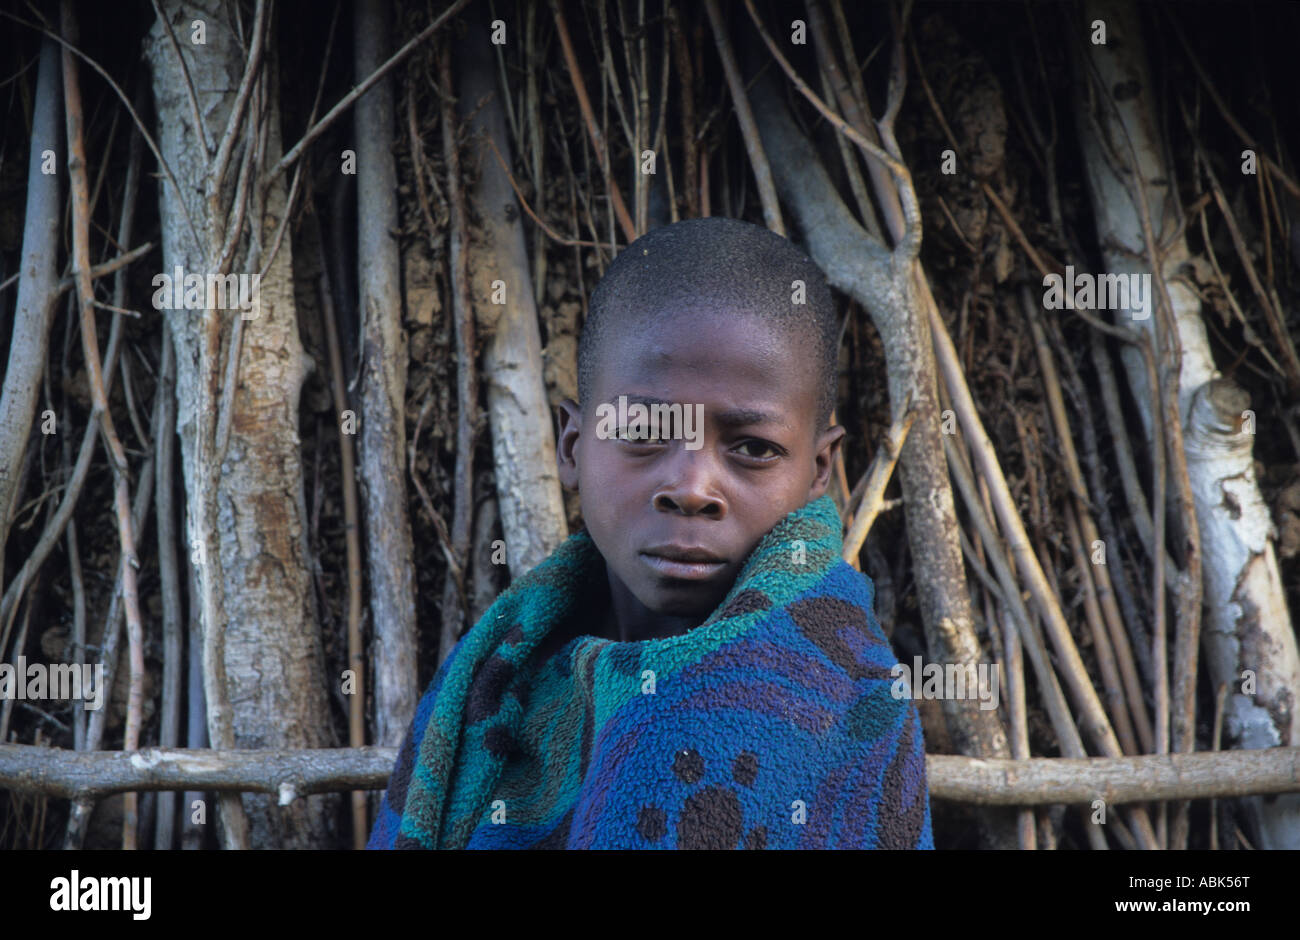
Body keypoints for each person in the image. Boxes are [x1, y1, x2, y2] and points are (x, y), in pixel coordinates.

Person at [367, 216, 933, 849]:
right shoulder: (503, 679)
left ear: (818, 468)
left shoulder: (843, 699)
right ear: (573, 446)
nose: (691, 487)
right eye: (642, 433)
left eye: (751, 447)